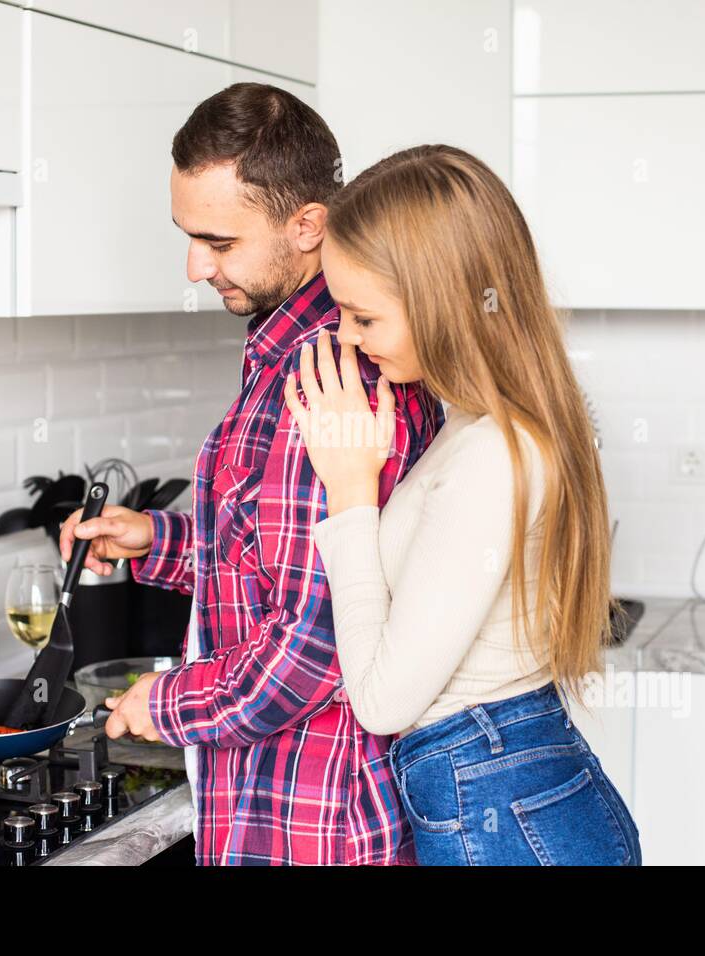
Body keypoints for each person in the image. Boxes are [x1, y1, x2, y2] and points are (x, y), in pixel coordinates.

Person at [58, 84, 443, 865]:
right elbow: (277, 556)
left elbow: (316, 644)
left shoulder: (338, 379)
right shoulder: (287, 356)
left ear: (308, 226)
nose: (195, 266)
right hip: (281, 811)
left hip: (318, 827)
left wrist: (160, 703)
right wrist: (157, 542)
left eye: (220, 242)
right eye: (188, 236)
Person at [281, 144, 642, 865]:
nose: (345, 337)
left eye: (362, 317)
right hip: (516, 800)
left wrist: (351, 491)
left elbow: (383, 704)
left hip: (503, 815)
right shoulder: (477, 426)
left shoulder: (492, 456)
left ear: (442, 305)